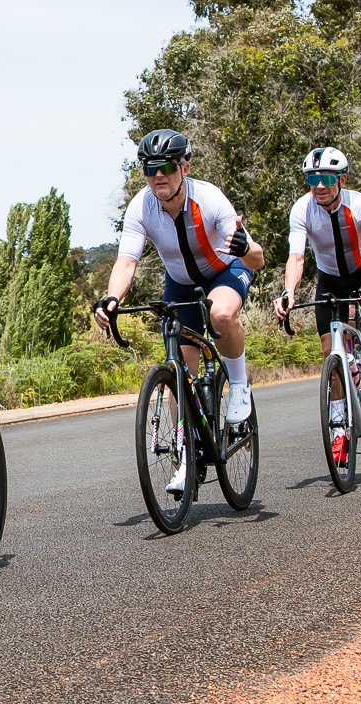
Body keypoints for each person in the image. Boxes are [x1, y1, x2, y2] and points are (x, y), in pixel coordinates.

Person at [92, 129, 265, 495]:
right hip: (181, 284)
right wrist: (111, 298)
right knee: (179, 376)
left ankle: (238, 385)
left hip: (224, 271)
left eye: (167, 167)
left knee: (220, 315)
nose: (159, 176)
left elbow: (258, 258)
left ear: (184, 166)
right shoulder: (141, 206)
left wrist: (244, 248)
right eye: (151, 168)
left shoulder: (210, 199)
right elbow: (127, 261)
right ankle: (187, 459)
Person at [272, 146, 361, 466]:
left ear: (342, 178)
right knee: (331, 352)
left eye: (327, 178)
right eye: (313, 179)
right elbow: (297, 257)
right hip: (330, 280)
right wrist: (289, 291)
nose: (320, 186)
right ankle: (339, 428)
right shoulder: (302, 210)